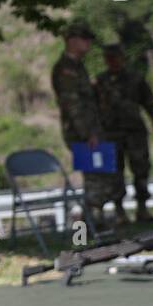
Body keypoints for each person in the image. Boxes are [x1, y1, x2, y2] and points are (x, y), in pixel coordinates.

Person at [94, 43, 153, 223]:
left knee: (141, 169)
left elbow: (149, 104)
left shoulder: (136, 79)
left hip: (135, 132)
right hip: (110, 134)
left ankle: (142, 208)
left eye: (115, 57)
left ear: (122, 58)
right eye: (109, 58)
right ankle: (120, 212)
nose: (112, 62)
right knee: (114, 173)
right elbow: (91, 110)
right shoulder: (99, 82)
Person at [50, 21, 108, 229]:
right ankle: (90, 223)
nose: (89, 44)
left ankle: (95, 219)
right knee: (93, 175)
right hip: (81, 132)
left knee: (100, 174)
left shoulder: (77, 67)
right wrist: (87, 133)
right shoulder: (66, 69)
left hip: (90, 128)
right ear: (72, 41)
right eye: (85, 39)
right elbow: (72, 105)